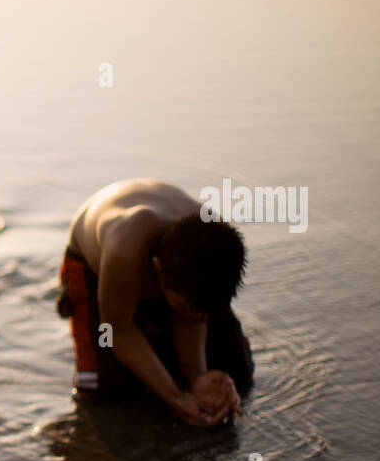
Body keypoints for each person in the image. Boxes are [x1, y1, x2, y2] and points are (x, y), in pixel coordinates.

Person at [57, 178, 254, 426]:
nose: (196, 316)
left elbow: (192, 318)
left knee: (236, 368)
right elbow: (119, 331)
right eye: (183, 307)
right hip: (94, 261)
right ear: (156, 269)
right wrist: (178, 399)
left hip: (181, 267)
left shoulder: (216, 243)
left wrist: (197, 380)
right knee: (105, 392)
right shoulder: (124, 248)